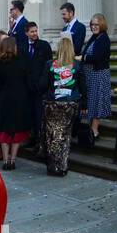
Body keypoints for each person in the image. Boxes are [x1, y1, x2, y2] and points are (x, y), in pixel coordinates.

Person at [42, 36, 83, 176]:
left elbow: (43, 84)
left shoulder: (49, 64)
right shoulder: (77, 66)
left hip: (52, 103)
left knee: (52, 135)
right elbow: (83, 86)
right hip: (70, 103)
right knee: (65, 135)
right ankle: (62, 166)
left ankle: (52, 166)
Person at [0, 34, 32, 170]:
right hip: (20, 98)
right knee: (17, 130)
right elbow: (27, 80)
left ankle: (6, 160)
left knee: (4, 129)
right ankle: (13, 159)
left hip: (4, 98)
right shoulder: (22, 61)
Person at [77, 14, 112, 145]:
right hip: (90, 75)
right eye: (92, 25)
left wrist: (83, 58)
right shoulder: (94, 37)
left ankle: (95, 130)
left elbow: (97, 57)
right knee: (91, 101)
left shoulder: (104, 39)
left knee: (97, 101)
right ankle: (91, 129)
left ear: (102, 25)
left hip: (99, 75)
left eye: (96, 25)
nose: (94, 27)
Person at [22, 22, 52, 149]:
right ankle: (32, 137)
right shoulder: (22, 46)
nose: (34, 33)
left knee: (39, 114)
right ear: (26, 33)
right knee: (29, 114)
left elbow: (49, 65)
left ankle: (40, 140)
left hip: (40, 87)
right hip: (27, 87)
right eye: (32, 31)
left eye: (35, 31)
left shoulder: (44, 46)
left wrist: (42, 84)